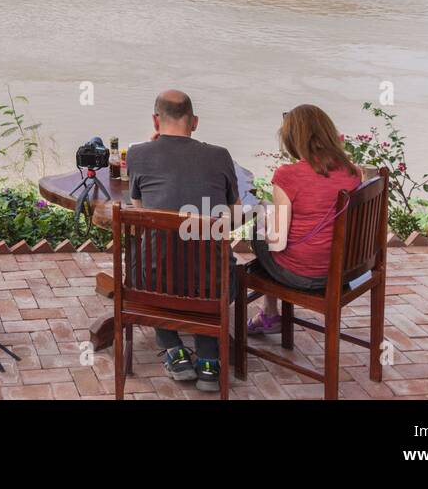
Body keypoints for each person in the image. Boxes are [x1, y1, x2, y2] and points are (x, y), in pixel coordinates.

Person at [126, 90, 239, 392]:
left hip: (152, 284)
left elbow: (141, 213)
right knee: (207, 268)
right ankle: (208, 360)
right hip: (212, 284)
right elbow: (234, 214)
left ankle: (173, 349)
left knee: (158, 258)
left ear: (155, 120)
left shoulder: (137, 153)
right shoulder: (220, 155)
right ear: (195, 122)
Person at [247, 104, 365, 336]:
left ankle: (269, 314)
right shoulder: (353, 171)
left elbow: (278, 244)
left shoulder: (287, 176)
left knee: (258, 233)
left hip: (305, 275)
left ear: (293, 138)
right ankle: (268, 312)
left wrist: (265, 223)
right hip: (345, 269)